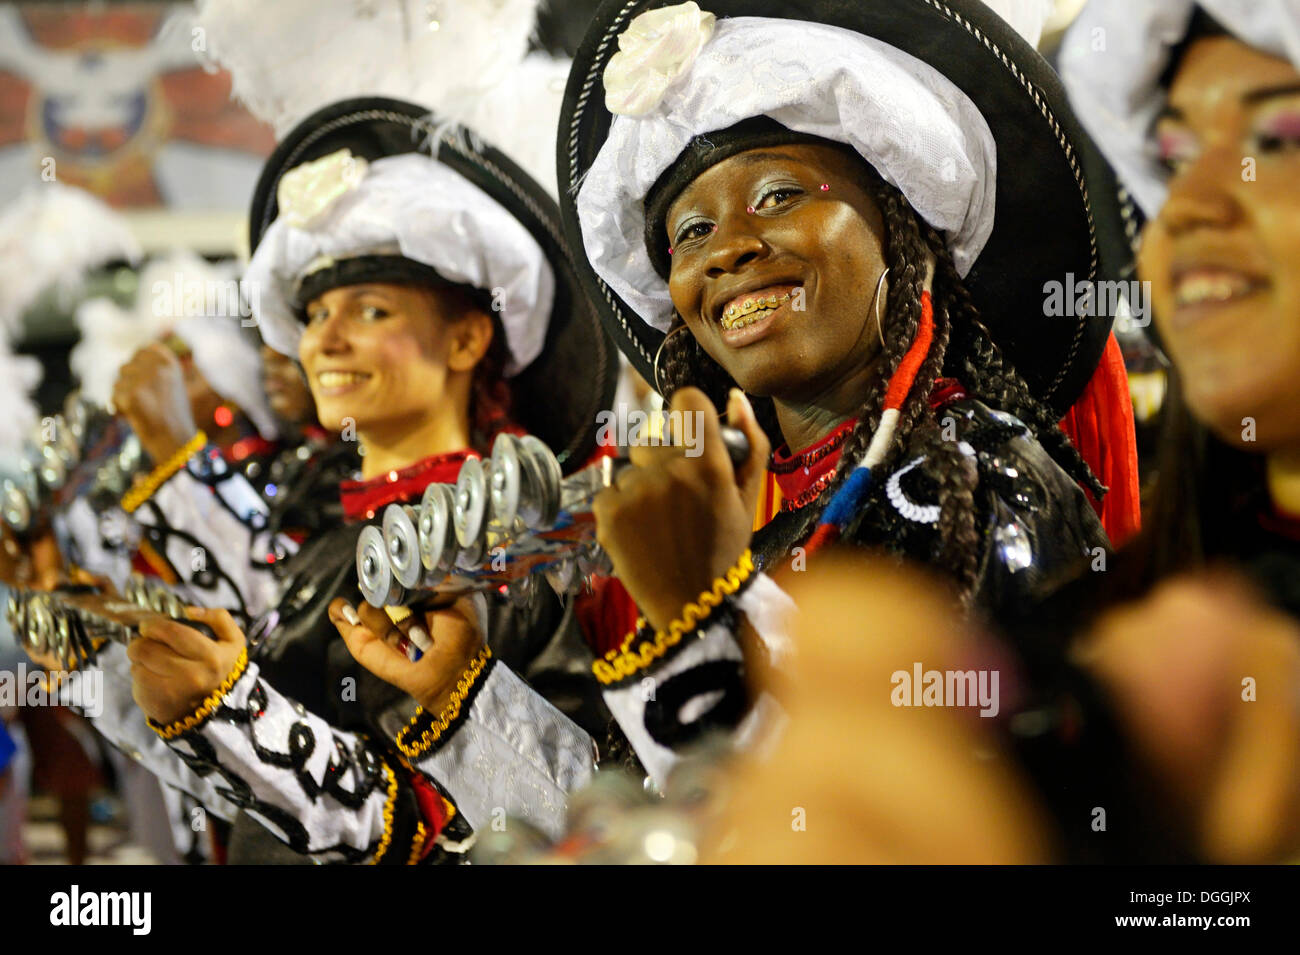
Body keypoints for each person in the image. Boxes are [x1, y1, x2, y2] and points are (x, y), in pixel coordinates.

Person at [23, 97, 618, 864]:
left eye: (370, 310)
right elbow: (237, 794)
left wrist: (230, 708)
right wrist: (101, 665)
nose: (326, 340)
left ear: (470, 336)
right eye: (312, 313)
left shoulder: (506, 547)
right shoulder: (330, 528)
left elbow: (477, 830)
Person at [555, 0, 1136, 786]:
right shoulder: (754, 534)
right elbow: (644, 821)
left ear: (903, 229)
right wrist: (467, 705)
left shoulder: (985, 488)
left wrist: (705, 621)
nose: (727, 248)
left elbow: (936, 822)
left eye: (780, 197)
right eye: (689, 233)